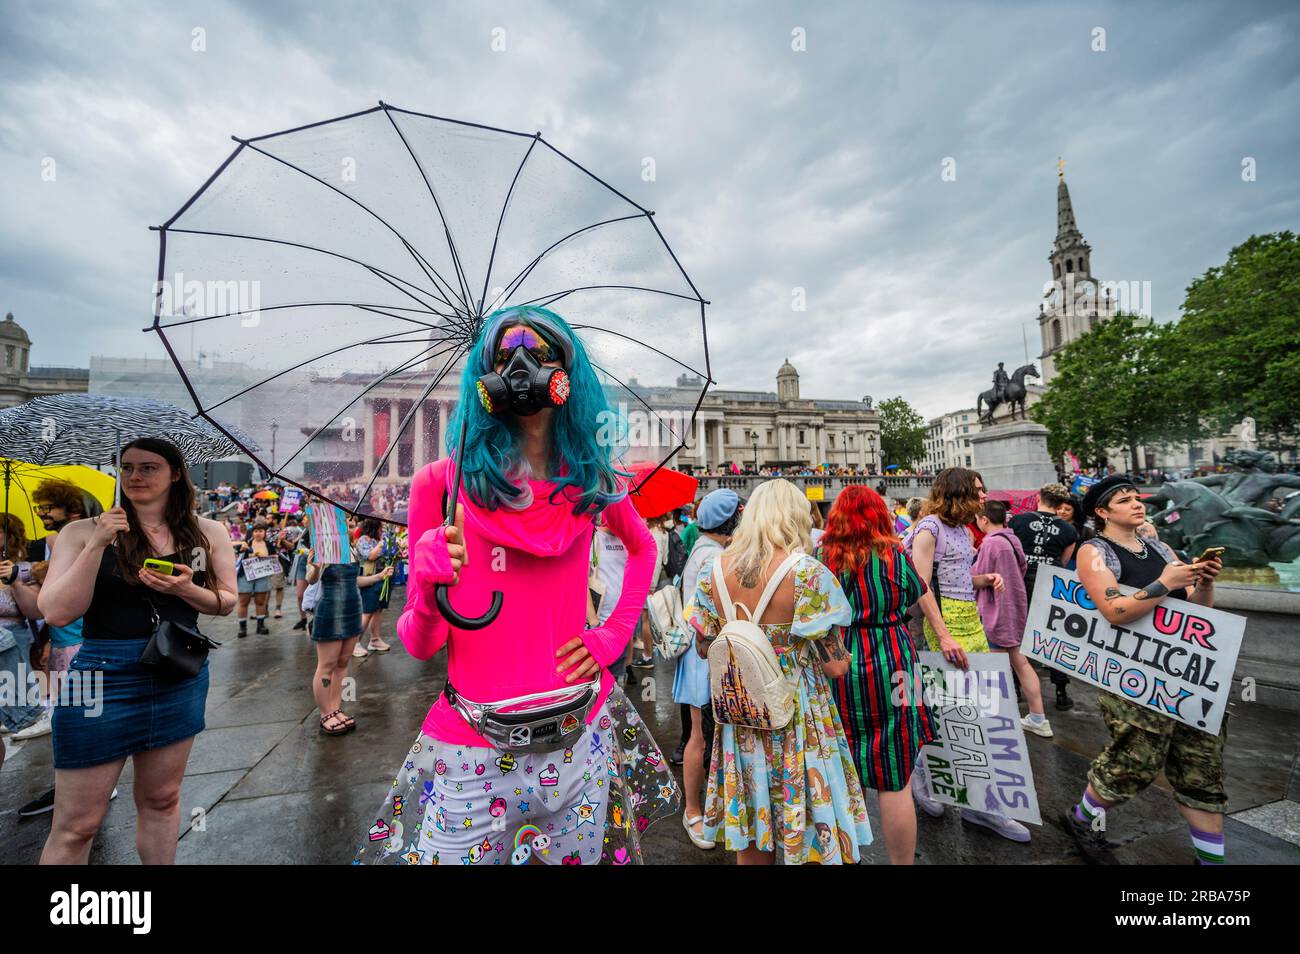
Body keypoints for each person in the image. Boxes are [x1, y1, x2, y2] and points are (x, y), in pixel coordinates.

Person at [354, 306, 677, 866]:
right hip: (475, 751)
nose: (521, 366)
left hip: (580, 732)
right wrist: (428, 582)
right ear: (486, 376)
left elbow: (643, 546)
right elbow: (419, 643)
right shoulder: (442, 484)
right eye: (504, 357)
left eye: (539, 353)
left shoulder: (591, 478)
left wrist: (612, 635)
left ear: (567, 373)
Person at [36, 437, 236, 864]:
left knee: (162, 800)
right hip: (100, 678)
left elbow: (227, 601)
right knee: (77, 824)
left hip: (177, 672)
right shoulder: (82, 532)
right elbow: (55, 611)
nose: (135, 477)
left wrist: (187, 590)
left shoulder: (208, 532)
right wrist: (97, 544)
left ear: (176, 474)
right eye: (126, 468)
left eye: (148, 468)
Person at [685, 479, 872, 865]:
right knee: (806, 830)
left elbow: (704, 647)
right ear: (794, 518)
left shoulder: (712, 570)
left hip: (741, 717)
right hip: (795, 715)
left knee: (752, 831)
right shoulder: (807, 573)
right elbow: (835, 665)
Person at [1064, 475, 1226, 865]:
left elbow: (1197, 611)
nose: (1138, 504)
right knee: (1133, 762)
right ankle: (1082, 819)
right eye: (1125, 500)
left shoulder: (1160, 546)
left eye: (1138, 498)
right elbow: (1114, 610)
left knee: (1201, 768)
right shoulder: (1094, 551)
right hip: (1132, 677)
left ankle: (1212, 863)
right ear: (1102, 512)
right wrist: (1162, 583)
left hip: (1185, 675)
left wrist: (1203, 582)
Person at [907, 467, 1031, 842]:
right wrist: (943, 635)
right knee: (954, 715)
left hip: (971, 624)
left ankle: (981, 806)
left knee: (982, 714)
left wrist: (984, 580)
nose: (984, 497)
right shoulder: (929, 529)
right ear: (958, 492)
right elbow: (920, 585)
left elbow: (957, 578)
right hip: (944, 628)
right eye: (977, 491)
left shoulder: (962, 530)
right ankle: (926, 775)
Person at [817, 486, 936, 865]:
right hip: (894, 656)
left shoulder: (823, 556)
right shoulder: (893, 554)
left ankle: (848, 855)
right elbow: (917, 592)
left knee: (842, 767)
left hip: (842, 658)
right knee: (895, 776)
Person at [672, 488, 739, 849]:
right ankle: (693, 811)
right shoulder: (714, 557)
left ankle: (705, 808)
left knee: (705, 736)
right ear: (730, 522)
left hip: (702, 655)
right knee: (700, 737)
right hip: (705, 654)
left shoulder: (700, 550)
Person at [972, 500, 1051, 738]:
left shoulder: (991, 544)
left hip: (996, 611)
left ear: (984, 520)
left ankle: (999, 723)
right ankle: (1038, 717)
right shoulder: (1012, 539)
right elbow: (1023, 568)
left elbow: (978, 577)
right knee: (1022, 664)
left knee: (995, 670)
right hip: (1016, 608)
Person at [1008, 482, 1078, 711]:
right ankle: (1061, 691)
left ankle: (1016, 686)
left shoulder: (1018, 521)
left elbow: (1012, 552)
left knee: (1016, 637)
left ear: (1039, 497)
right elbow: (1065, 562)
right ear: (1060, 505)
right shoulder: (1069, 531)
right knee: (1051, 638)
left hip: (1022, 584)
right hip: (1050, 586)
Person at [305, 550, 391, 735]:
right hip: (330, 609)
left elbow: (354, 581)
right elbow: (311, 579)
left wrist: (378, 577)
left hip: (353, 608)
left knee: (343, 663)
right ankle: (325, 713)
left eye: (350, 522)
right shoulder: (322, 545)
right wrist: (315, 568)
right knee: (327, 665)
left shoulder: (350, 548)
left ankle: (335, 708)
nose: (349, 524)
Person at [352, 518, 393, 657]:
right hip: (370, 578)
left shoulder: (378, 539)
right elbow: (370, 555)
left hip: (384, 577)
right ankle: (355, 642)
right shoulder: (363, 540)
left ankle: (375, 639)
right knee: (367, 611)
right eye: (381, 527)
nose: (383, 529)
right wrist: (383, 543)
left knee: (378, 610)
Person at [233, 520, 273, 636]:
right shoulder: (246, 544)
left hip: (262, 575)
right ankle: (242, 627)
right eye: (256, 531)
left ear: (265, 532)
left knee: (261, 601)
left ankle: (260, 625)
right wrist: (242, 548)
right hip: (246, 575)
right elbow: (237, 550)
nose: (258, 533)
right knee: (243, 601)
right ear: (252, 532)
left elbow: (275, 557)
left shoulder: (269, 545)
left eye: (261, 531)